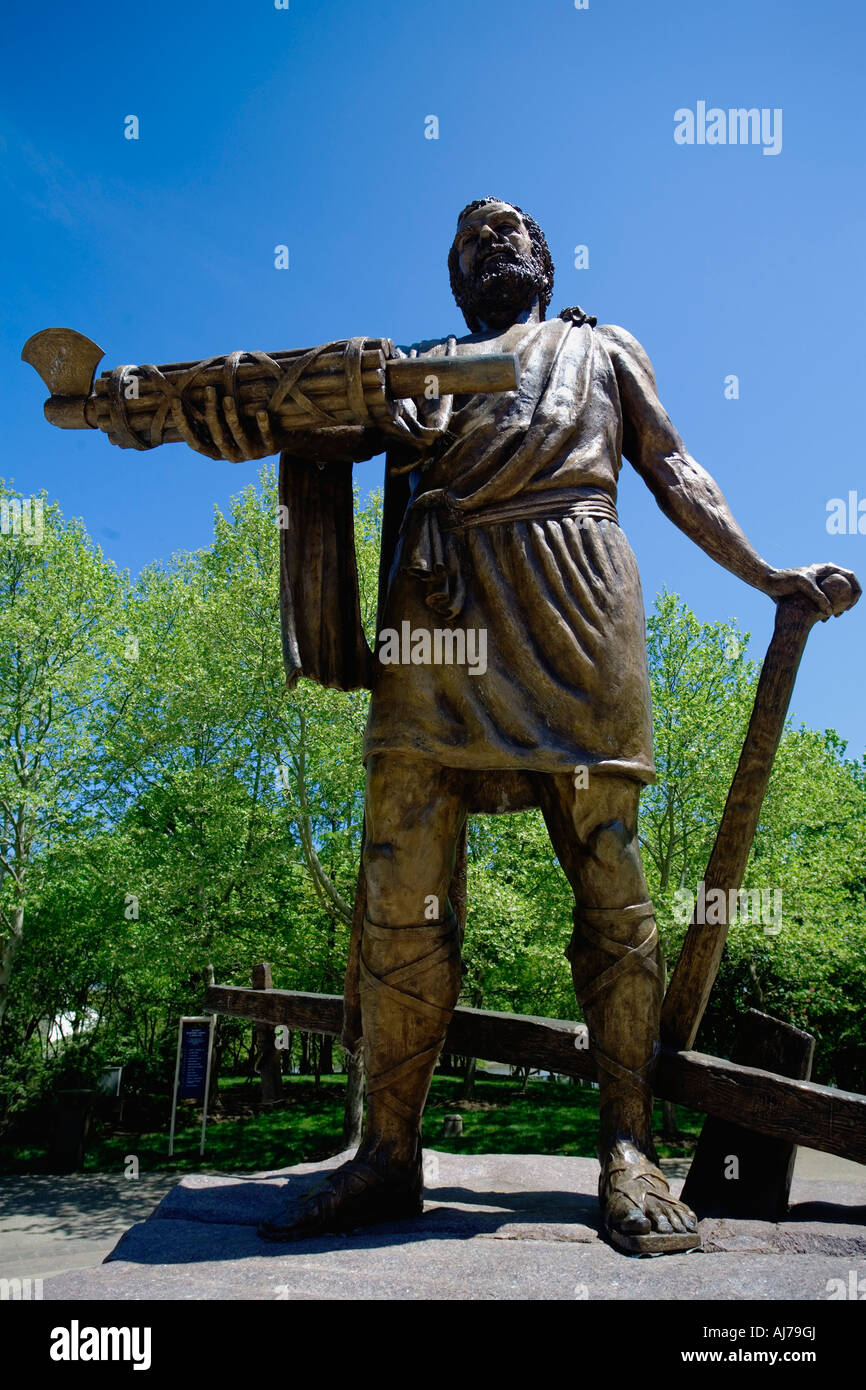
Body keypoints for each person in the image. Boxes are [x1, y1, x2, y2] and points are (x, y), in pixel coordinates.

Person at [260, 198, 856, 1253]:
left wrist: (765, 570)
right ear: (453, 280)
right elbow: (295, 423)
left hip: (574, 600)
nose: (494, 242)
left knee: (606, 863)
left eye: (512, 231)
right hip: (436, 613)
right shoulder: (412, 363)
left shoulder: (599, 346)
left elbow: (671, 467)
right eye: (470, 239)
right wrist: (271, 423)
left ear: (545, 260)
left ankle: (627, 1147)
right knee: (397, 870)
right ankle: (384, 1155)